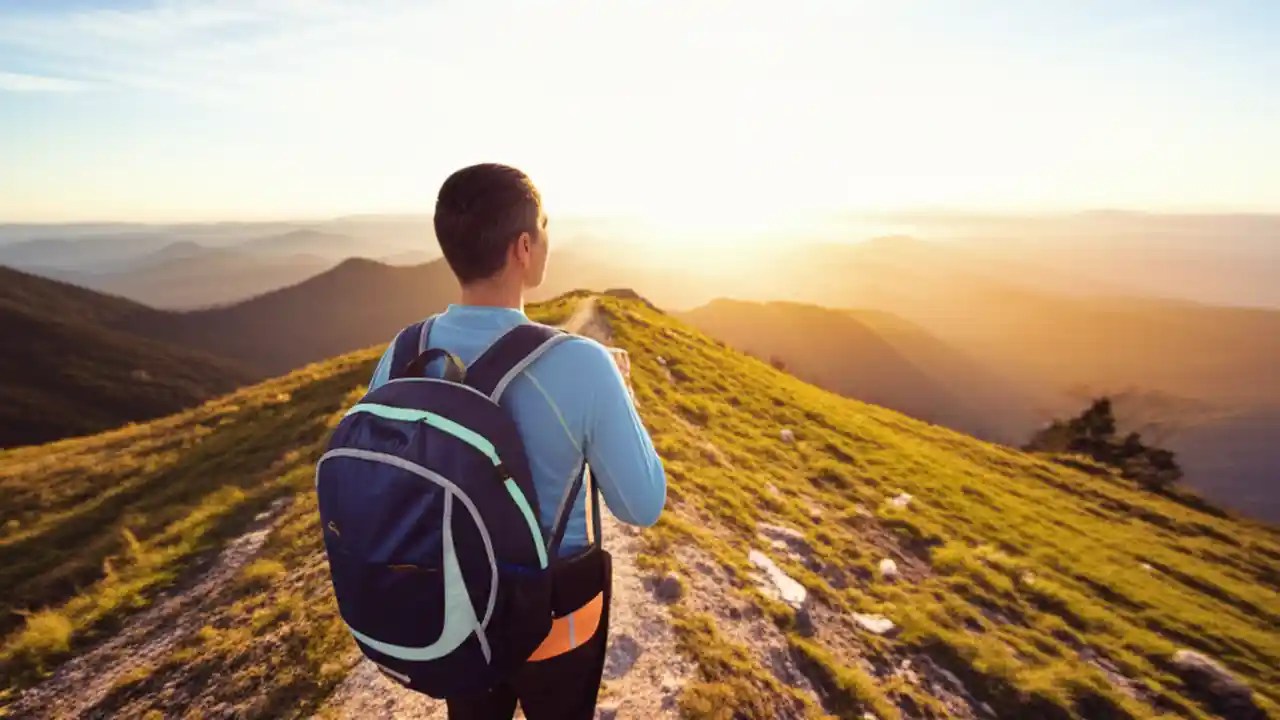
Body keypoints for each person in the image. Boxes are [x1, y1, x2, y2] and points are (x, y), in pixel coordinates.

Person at [366, 163, 667, 720]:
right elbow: (642, 504)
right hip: (555, 619)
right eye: (545, 227)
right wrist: (623, 395)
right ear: (524, 247)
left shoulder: (404, 351)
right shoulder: (581, 364)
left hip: (453, 605)